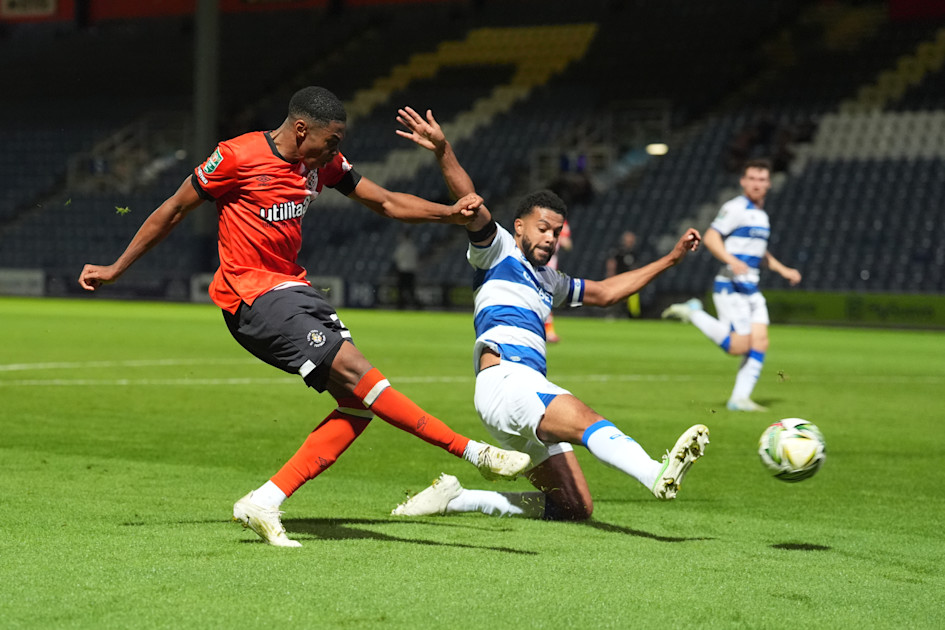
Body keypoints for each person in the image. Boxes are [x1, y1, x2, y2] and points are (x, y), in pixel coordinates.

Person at [77, 87, 531, 546]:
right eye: (331, 140)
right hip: (252, 295)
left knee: (358, 403)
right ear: (300, 129)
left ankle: (264, 501)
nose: (337, 151)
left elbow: (387, 202)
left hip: (294, 290)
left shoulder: (322, 163)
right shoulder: (236, 156)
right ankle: (473, 452)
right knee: (359, 372)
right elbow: (173, 209)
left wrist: (450, 214)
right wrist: (118, 267)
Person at [388, 107, 708, 521]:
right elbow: (469, 201)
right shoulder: (496, 250)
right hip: (507, 381)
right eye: (543, 228)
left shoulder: (550, 281)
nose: (551, 237)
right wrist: (444, 149)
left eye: (557, 231)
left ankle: (459, 498)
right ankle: (654, 473)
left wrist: (671, 259)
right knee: (586, 419)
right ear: (519, 226)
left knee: (574, 507)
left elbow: (608, 292)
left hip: (522, 389)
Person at [661, 158, 802, 412]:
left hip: (752, 287)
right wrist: (731, 260)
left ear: (769, 183)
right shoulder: (735, 207)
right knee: (739, 347)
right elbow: (713, 236)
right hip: (731, 285)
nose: (757, 184)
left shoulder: (761, 215)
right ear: (743, 181)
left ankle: (739, 399)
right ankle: (694, 313)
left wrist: (784, 270)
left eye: (762, 179)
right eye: (752, 178)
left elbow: (760, 252)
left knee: (761, 342)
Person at [543, 218, 571, 342]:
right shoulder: (560, 222)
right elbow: (567, 243)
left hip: (544, 266)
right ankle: (548, 332)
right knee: (544, 298)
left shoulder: (538, 216)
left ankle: (546, 331)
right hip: (546, 267)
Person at [605, 230, 642, 318]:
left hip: (630, 280)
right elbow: (611, 262)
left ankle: (632, 316)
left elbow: (635, 267)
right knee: (616, 297)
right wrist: (611, 274)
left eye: (632, 240)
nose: (631, 242)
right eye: (629, 240)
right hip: (619, 278)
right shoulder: (618, 251)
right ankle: (613, 314)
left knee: (631, 299)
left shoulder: (634, 253)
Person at [392, 229, 419, 309]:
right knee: (411, 290)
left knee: (401, 289)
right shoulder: (413, 247)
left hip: (403, 271)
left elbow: (396, 258)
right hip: (411, 271)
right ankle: (414, 305)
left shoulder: (402, 247)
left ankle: (401, 305)